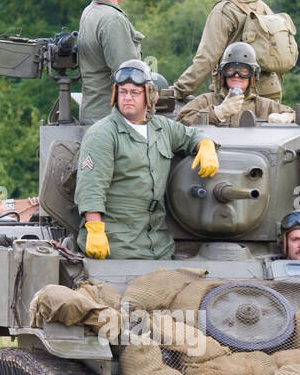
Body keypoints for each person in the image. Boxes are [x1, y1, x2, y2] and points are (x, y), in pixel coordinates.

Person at [74, 59, 219, 260]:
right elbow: (91, 187)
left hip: (158, 243)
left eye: (135, 92)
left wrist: (205, 145)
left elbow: (190, 135)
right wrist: (95, 230)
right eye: (123, 92)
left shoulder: (161, 127)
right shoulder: (103, 133)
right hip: (116, 242)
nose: (127, 98)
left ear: (150, 95)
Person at [168, 0, 284, 102]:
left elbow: (206, 59)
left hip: (237, 94)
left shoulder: (223, 10)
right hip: (271, 93)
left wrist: (177, 91)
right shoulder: (260, 5)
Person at [77, 0, 143, 125]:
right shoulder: (112, 19)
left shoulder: (90, 12)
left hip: (96, 115)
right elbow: (129, 76)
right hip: (111, 121)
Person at [176, 43, 294, 125]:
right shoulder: (206, 101)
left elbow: (299, 118)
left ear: (252, 76)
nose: (237, 75)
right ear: (223, 74)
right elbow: (181, 121)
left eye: (244, 71)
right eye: (231, 69)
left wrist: (286, 118)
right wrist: (217, 112)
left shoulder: (263, 106)